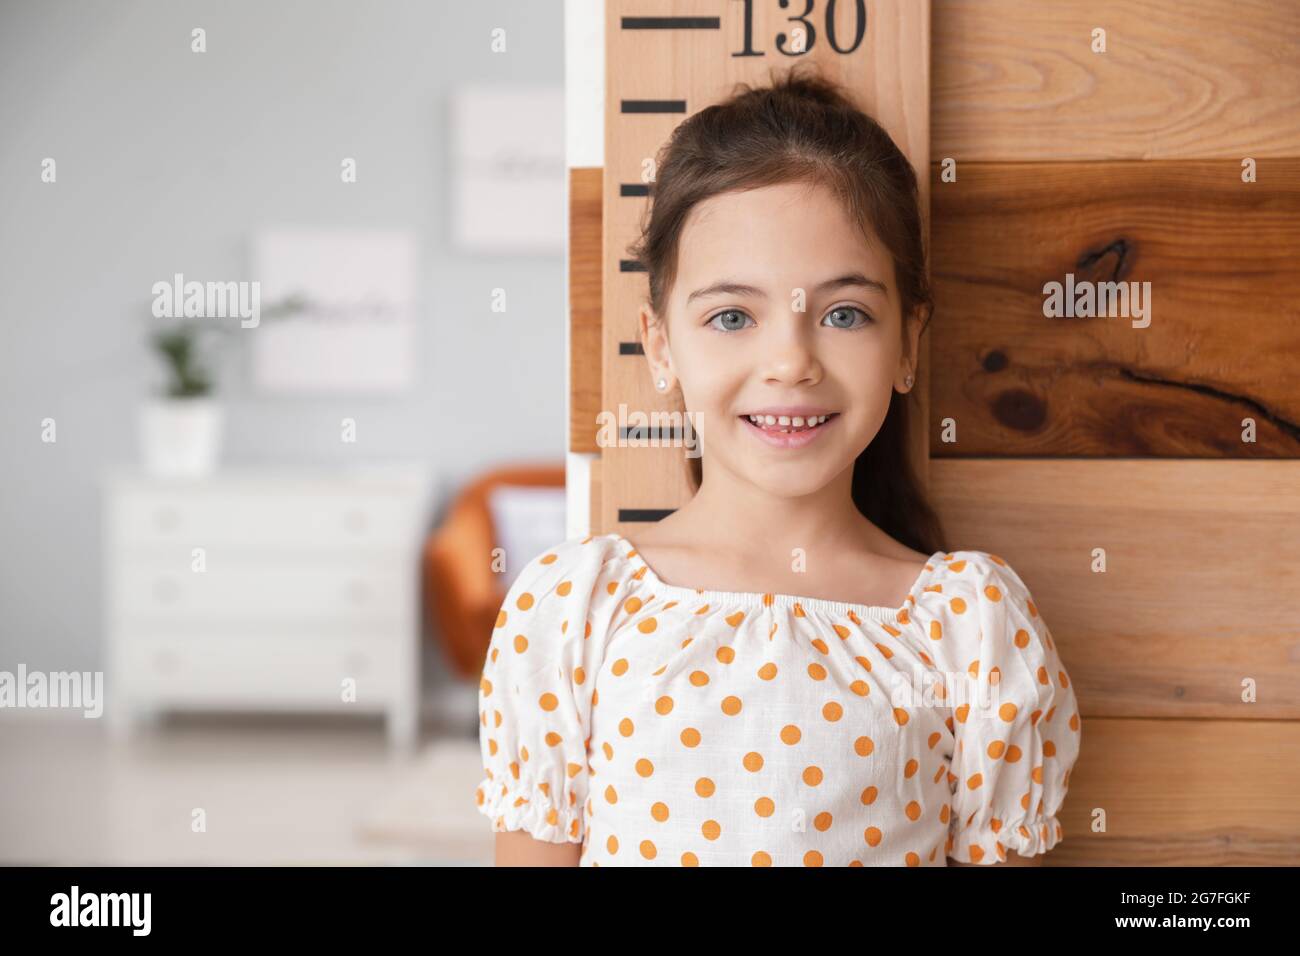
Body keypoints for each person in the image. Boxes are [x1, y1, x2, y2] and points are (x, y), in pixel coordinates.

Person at [475, 65, 1081, 867]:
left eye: (843, 313)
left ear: (906, 343)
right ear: (660, 346)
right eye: (732, 315)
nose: (790, 362)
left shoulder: (971, 630)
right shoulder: (571, 614)